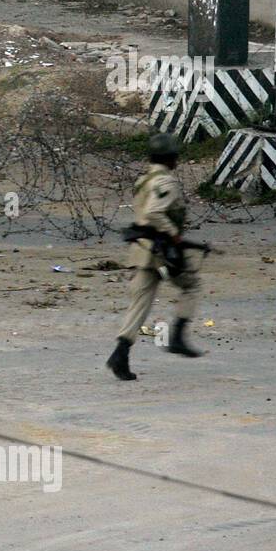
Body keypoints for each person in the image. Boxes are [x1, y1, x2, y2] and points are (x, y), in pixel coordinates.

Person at [107, 133, 204, 381]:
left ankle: (120, 353)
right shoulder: (166, 182)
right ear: (171, 158)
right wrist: (174, 234)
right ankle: (178, 337)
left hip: (142, 249)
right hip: (162, 251)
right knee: (191, 285)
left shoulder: (144, 180)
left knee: (140, 301)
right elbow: (154, 213)